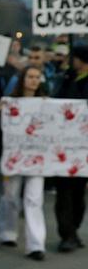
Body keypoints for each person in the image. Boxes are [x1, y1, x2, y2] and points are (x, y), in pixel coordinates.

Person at [0, 65, 49, 260]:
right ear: (23, 79)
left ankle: (36, 245)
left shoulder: (46, 103)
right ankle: (8, 231)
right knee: (11, 196)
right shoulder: (10, 102)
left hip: (37, 158)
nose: (33, 80)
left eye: (37, 77)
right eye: (30, 76)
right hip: (14, 158)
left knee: (34, 199)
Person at [54, 44, 88, 252]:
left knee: (77, 193)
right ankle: (67, 233)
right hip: (63, 146)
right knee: (64, 192)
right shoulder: (68, 79)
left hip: (82, 148)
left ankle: (73, 229)